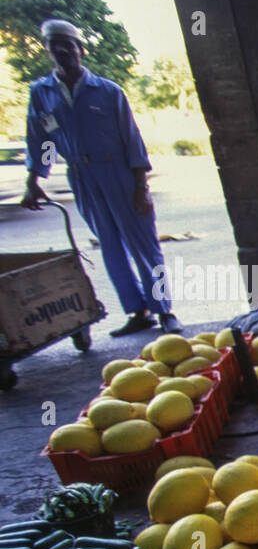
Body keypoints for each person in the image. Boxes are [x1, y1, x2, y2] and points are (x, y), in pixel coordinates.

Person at [21, 19, 180, 336]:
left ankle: (165, 311)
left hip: (118, 172)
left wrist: (141, 187)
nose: (64, 50)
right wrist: (34, 181)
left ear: (80, 49)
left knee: (144, 245)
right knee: (109, 246)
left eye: (69, 44)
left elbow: (132, 140)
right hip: (81, 176)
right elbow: (41, 141)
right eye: (56, 44)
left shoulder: (107, 91)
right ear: (48, 50)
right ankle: (138, 310)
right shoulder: (42, 94)